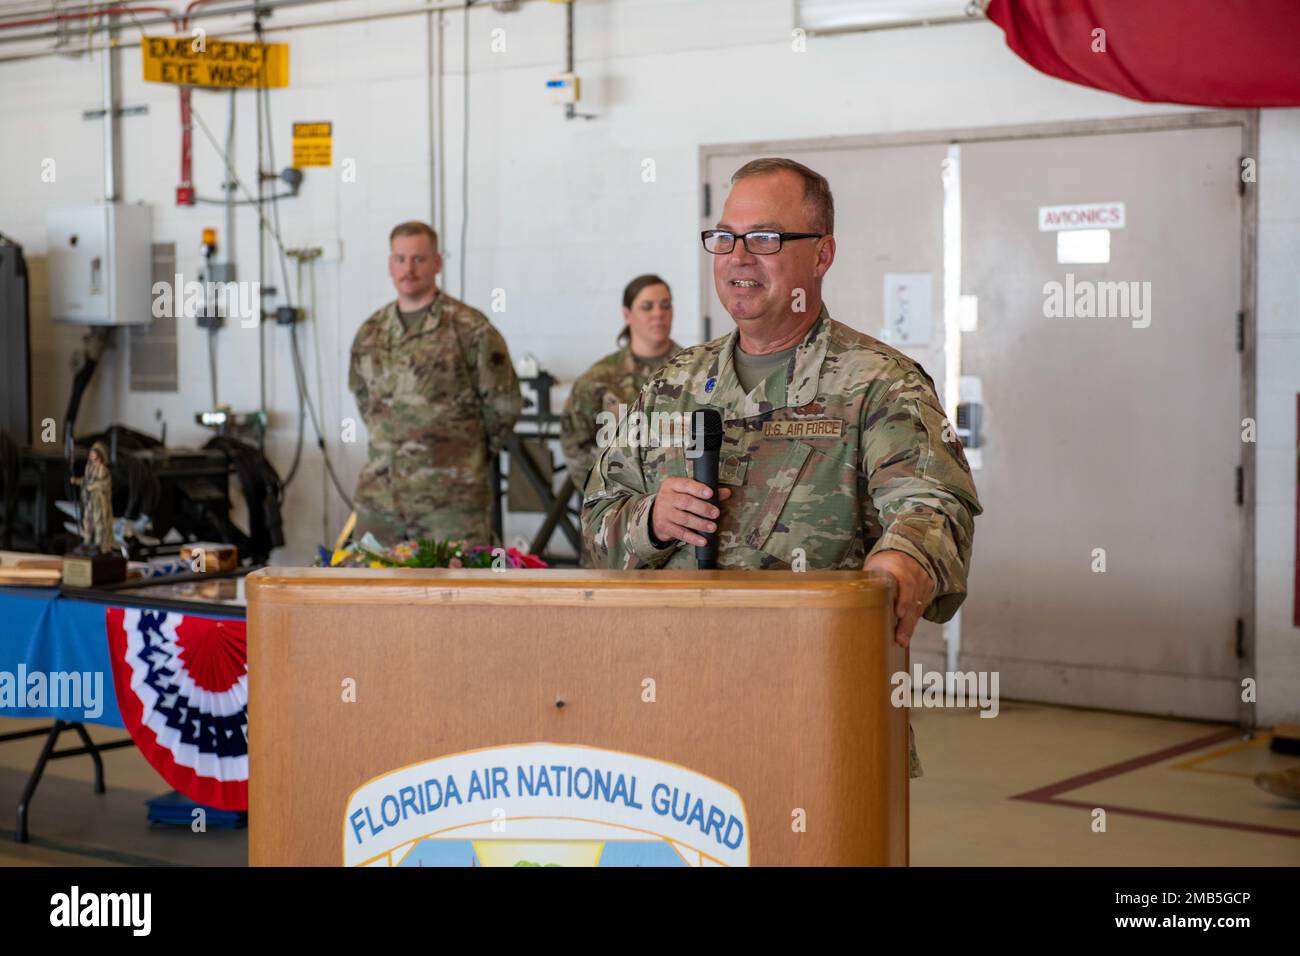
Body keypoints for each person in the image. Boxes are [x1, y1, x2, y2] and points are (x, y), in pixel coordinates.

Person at [580, 158, 983, 777]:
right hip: (667, 709)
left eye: (765, 239)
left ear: (821, 255)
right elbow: (598, 525)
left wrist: (904, 561)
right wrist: (651, 521)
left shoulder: (879, 384)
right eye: (725, 239)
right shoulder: (669, 385)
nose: (739, 258)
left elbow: (932, 505)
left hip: (815, 712)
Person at [349, 222, 522, 545]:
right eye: (400, 259)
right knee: (373, 590)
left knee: (458, 592)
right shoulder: (370, 333)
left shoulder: (471, 329)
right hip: (382, 499)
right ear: (390, 265)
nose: (408, 269)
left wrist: (463, 457)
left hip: (451, 503)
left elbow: (505, 405)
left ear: (437, 263)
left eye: (419, 259)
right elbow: (364, 400)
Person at [560, 274, 682, 494]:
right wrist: (599, 494)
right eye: (647, 307)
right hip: (618, 507)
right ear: (627, 314)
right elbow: (574, 443)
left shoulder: (694, 372)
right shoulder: (599, 378)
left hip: (679, 505)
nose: (658, 314)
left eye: (665, 306)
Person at [72, 441, 115, 554]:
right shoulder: (89, 468)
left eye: (93, 454)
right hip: (89, 500)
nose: (91, 456)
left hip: (99, 500)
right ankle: (87, 541)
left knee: (99, 521)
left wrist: (93, 487)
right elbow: (86, 481)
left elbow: (104, 484)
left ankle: (99, 543)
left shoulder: (103, 470)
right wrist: (77, 481)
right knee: (88, 521)